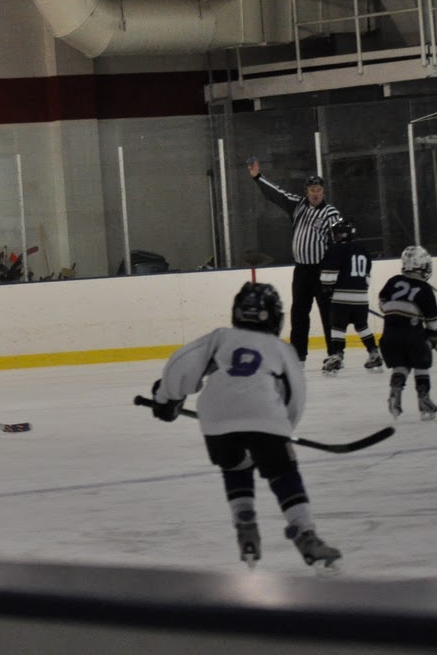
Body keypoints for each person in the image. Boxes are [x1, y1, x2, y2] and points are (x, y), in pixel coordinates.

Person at [148, 282, 342, 574]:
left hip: (215, 418)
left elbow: (183, 363)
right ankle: (305, 535)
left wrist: (166, 398)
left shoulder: (221, 337)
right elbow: (296, 397)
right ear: (275, 316)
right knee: (282, 472)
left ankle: (245, 528)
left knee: (236, 465)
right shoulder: (281, 348)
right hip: (265, 414)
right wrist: (282, 429)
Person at [247, 158, 342, 362]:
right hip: (302, 271)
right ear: (307, 191)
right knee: (299, 312)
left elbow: (341, 243)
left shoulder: (331, 213)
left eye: (318, 189)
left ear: (323, 191)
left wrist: (336, 271)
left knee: (328, 313)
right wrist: (258, 177)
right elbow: (277, 193)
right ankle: (298, 353)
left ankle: (334, 353)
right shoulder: (298, 205)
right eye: (311, 189)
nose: (315, 193)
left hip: (322, 271)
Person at [378, 245, 437, 420]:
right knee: (421, 362)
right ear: (420, 266)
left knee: (401, 363)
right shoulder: (426, 289)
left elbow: (382, 303)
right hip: (412, 333)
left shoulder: (393, 281)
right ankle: (423, 400)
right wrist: (432, 337)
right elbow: (431, 322)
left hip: (389, 334)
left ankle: (396, 389)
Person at [317, 218, 382, 374]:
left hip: (341, 298)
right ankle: (374, 353)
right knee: (362, 326)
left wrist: (327, 288)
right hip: (361, 298)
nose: (335, 237)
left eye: (338, 234)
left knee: (337, 327)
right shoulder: (364, 250)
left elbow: (328, 277)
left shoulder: (336, 249)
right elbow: (366, 278)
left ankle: (337, 356)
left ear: (345, 234)